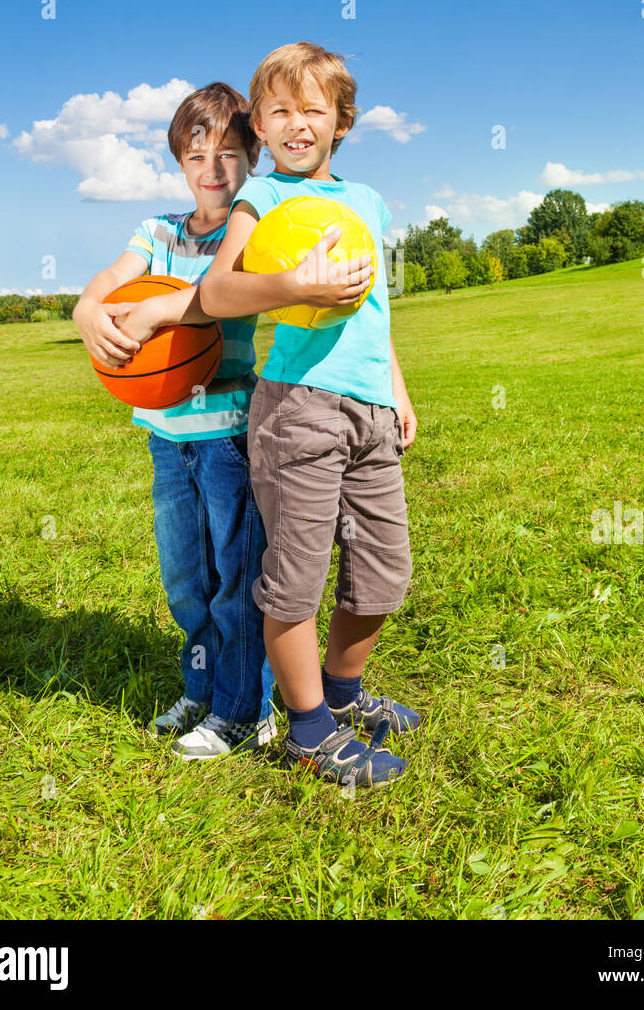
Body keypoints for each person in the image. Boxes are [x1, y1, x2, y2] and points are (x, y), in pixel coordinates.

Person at [198, 43, 420, 791]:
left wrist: (397, 388)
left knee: (385, 573)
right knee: (295, 579)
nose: (298, 123)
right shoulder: (263, 201)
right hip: (297, 411)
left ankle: (344, 693)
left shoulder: (370, 203)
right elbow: (218, 295)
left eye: (313, 109)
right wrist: (294, 283)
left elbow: (376, 311)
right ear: (259, 123)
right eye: (280, 110)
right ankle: (308, 730)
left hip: (370, 412)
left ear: (342, 122)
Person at [72, 83, 275, 759]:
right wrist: (85, 310)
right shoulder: (156, 231)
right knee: (185, 578)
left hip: (227, 435)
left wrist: (162, 313)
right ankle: (204, 685)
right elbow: (111, 276)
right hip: (167, 435)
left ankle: (247, 707)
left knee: (236, 577)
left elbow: (208, 301)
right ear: (179, 164)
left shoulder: (247, 233)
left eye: (228, 154)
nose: (212, 170)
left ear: (252, 157)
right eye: (197, 157)